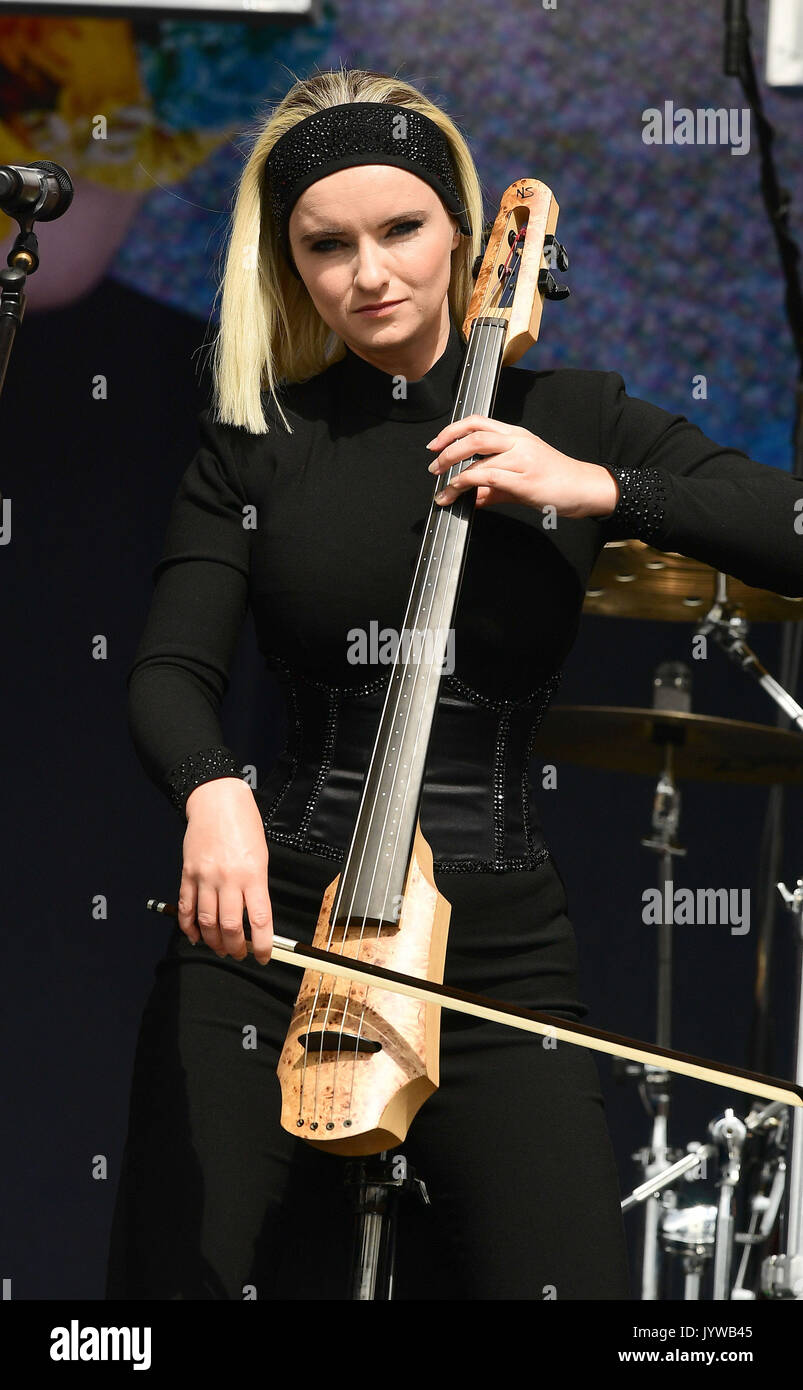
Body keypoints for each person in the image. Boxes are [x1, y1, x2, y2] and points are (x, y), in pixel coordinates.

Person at [105, 66, 803, 1301]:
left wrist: (598, 487)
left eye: (400, 231)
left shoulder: (567, 413)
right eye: (328, 245)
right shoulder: (256, 441)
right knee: (173, 1293)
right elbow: (167, 668)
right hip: (277, 935)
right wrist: (213, 793)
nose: (368, 272)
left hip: (496, 943)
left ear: (466, 239)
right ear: (290, 264)